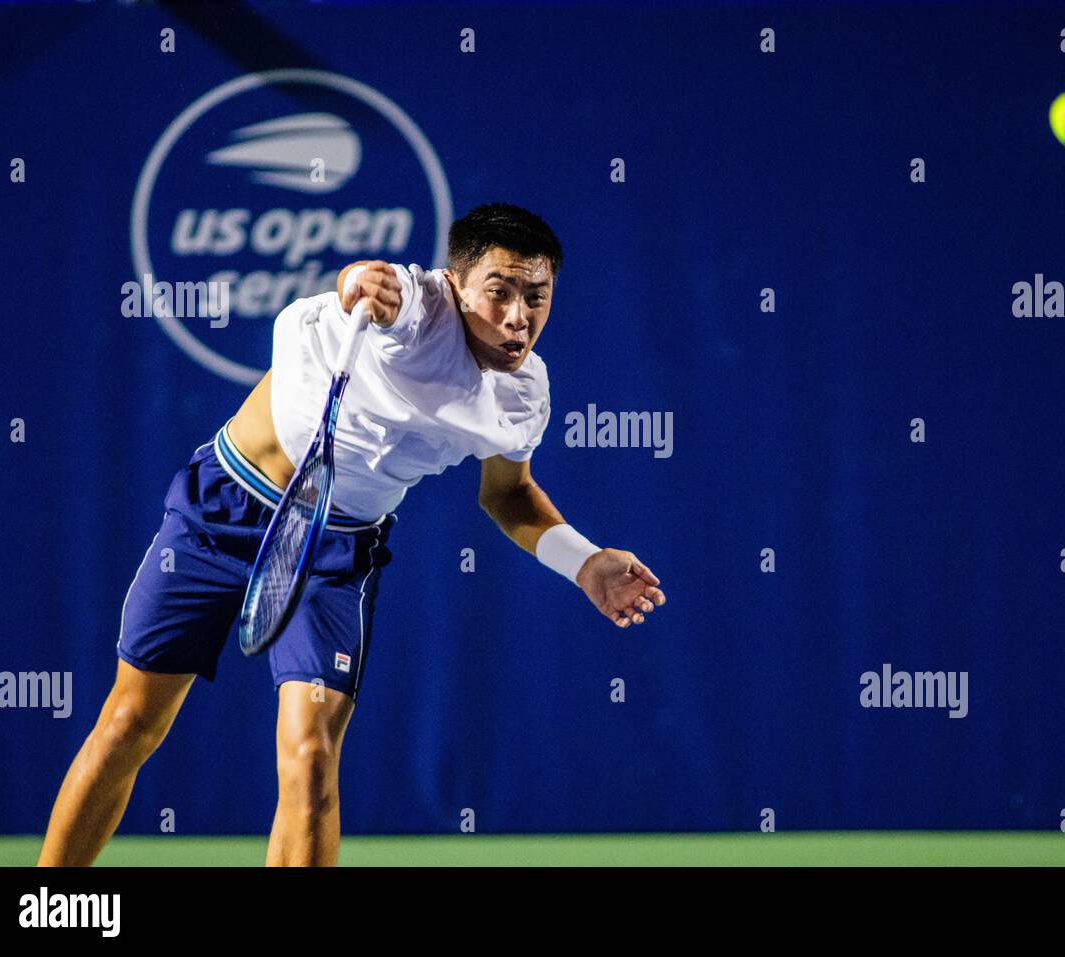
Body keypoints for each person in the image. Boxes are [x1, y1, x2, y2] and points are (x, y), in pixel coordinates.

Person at [38, 203, 665, 866]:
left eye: (536, 298)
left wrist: (585, 560)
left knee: (312, 757)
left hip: (334, 553)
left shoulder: (524, 395)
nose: (518, 316)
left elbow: (507, 493)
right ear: (454, 285)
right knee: (129, 723)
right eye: (499, 291)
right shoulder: (418, 310)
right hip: (220, 512)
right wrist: (358, 282)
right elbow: (370, 285)